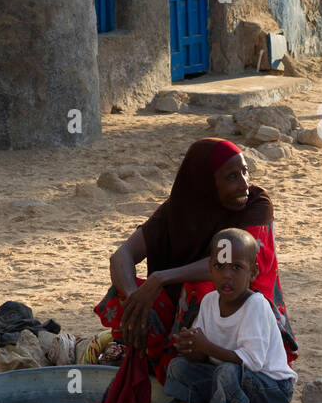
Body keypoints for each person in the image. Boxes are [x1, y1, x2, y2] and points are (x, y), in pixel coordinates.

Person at [95, 138, 296, 385]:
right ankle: (154, 362)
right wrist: (134, 296)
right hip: (190, 302)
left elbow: (225, 261)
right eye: (231, 177)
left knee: (201, 289)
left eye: (245, 172)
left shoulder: (256, 204)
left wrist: (161, 277)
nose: (244, 183)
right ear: (205, 182)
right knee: (127, 291)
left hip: (247, 307)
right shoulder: (180, 207)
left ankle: (183, 366)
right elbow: (121, 256)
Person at [164, 227, 296, 403]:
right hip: (230, 380)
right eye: (219, 267)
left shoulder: (256, 306)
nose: (227, 276)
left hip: (270, 388)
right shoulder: (208, 302)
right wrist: (189, 346)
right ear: (209, 270)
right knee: (178, 367)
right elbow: (200, 353)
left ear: (253, 271)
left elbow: (252, 362)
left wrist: (206, 346)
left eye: (236, 268)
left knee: (227, 371)